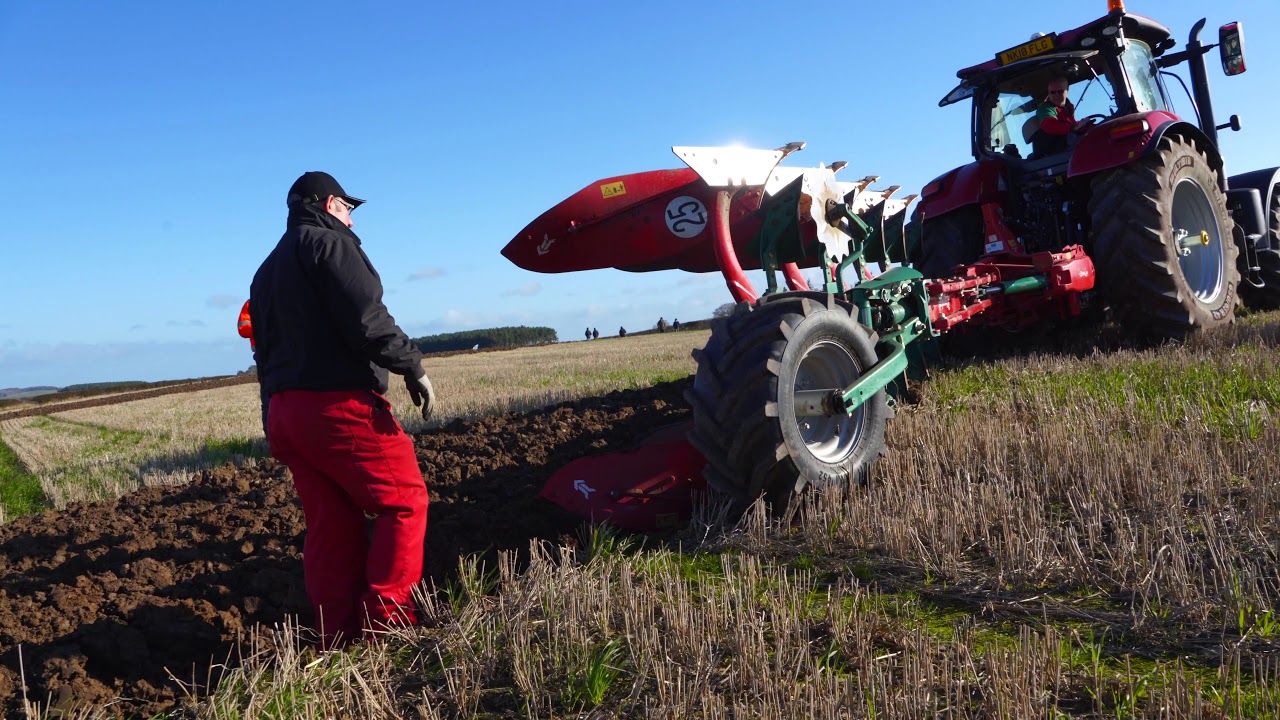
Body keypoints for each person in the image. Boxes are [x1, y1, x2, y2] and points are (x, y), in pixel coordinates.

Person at [249, 171, 435, 649]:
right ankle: (387, 628)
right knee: (404, 501)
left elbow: (263, 353)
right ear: (331, 204)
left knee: (332, 524)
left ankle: (337, 637)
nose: (352, 218)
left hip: (286, 413)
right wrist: (410, 365)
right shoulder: (331, 245)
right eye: (349, 208)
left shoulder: (266, 270)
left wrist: (273, 411)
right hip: (337, 407)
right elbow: (366, 318)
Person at [1031, 76, 1096, 157]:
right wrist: (1074, 127)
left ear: (1067, 90)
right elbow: (1049, 125)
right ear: (1048, 93)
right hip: (1056, 153)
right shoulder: (1046, 108)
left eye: (1060, 91)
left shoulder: (1067, 108)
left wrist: (1086, 125)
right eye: (1053, 92)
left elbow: (1072, 125)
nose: (1056, 95)